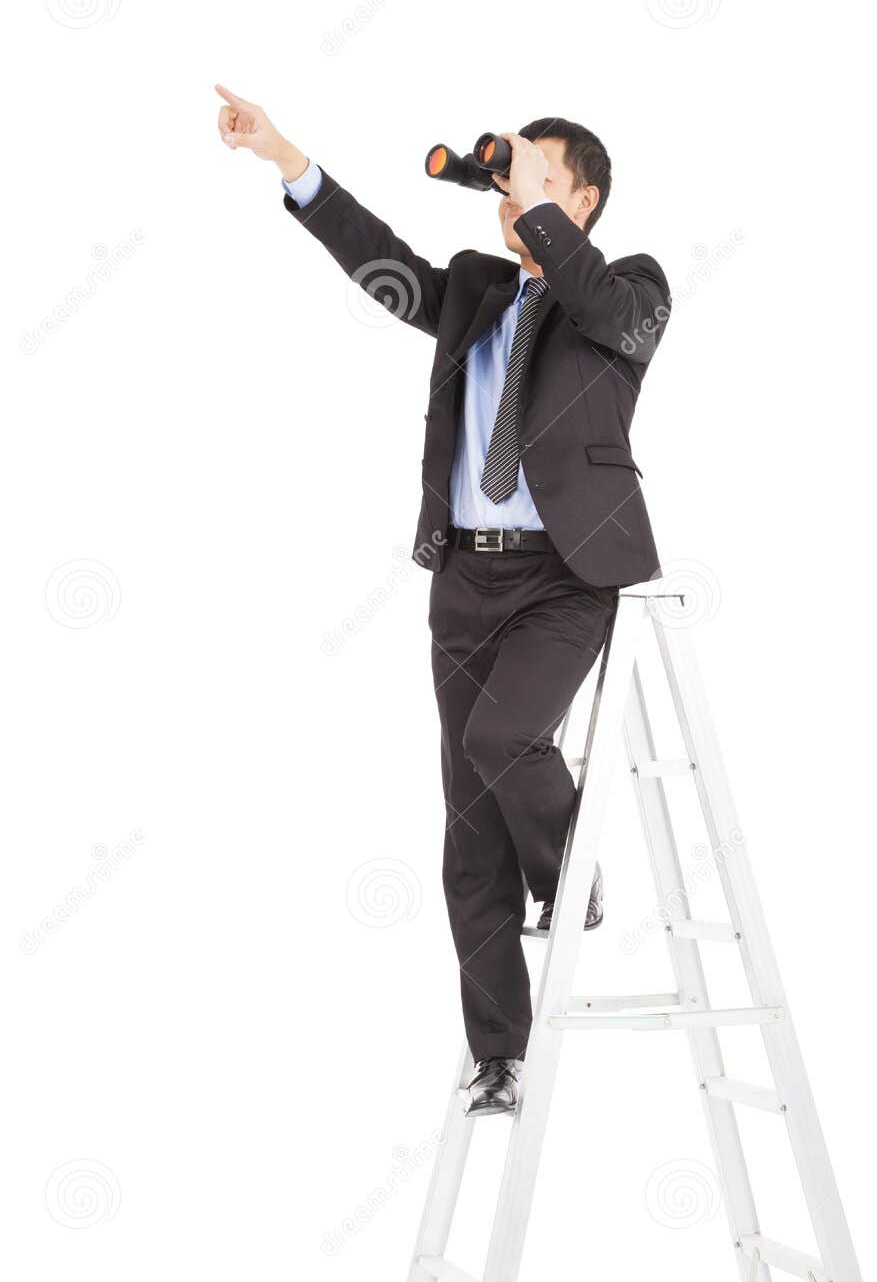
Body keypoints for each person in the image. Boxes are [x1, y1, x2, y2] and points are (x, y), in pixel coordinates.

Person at [216, 87, 671, 1115]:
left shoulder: (628, 292)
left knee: (504, 739)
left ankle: (568, 871)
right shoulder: (474, 288)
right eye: (504, 181)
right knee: (467, 829)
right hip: (466, 578)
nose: (509, 196)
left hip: (567, 577)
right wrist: (287, 159)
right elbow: (381, 268)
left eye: (535, 179)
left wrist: (532, 202)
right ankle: (498, 1054)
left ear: (581, 201)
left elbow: (597, 303)